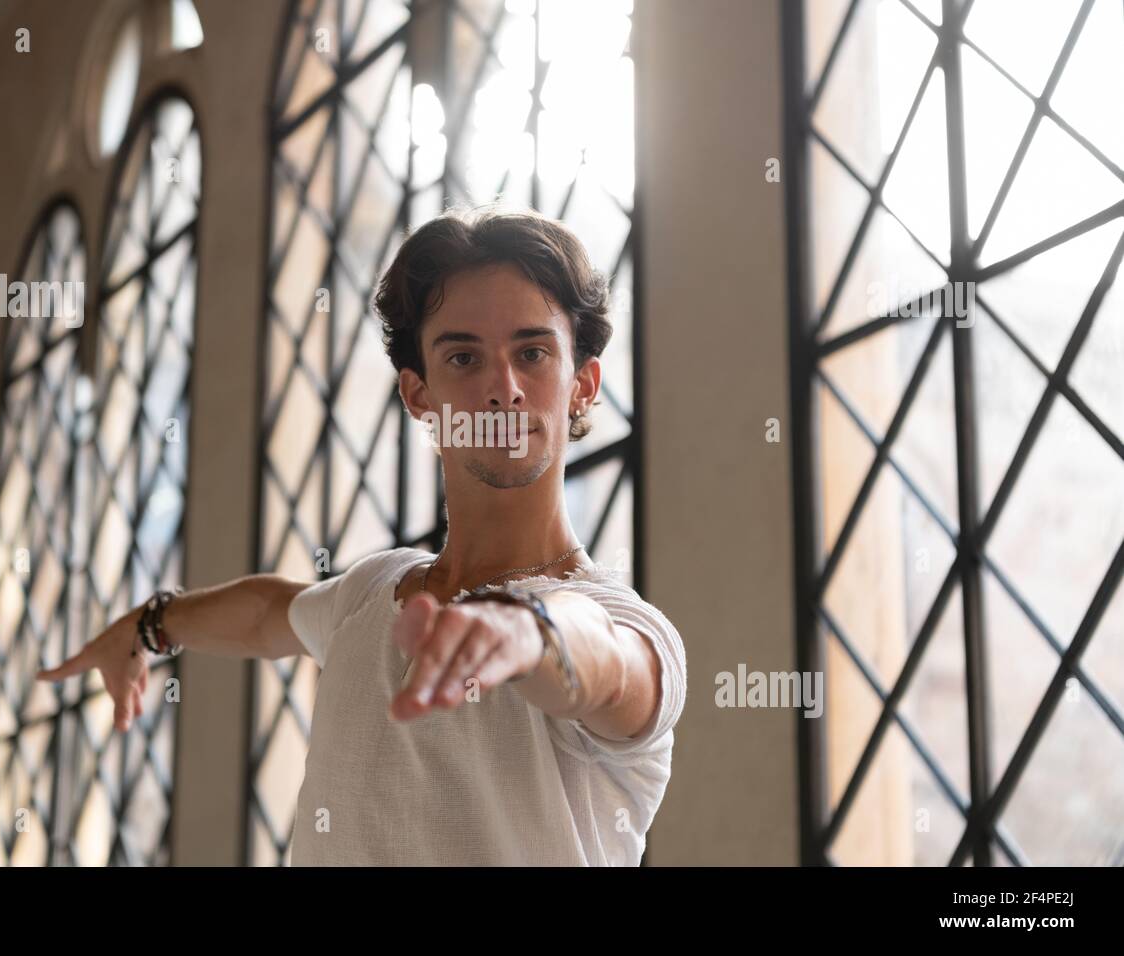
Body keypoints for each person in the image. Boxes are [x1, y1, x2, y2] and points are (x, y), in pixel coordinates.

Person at [38, 207, 687, 865]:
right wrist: (150, 626)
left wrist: (526, 632)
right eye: (463, 356)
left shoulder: (625, 625)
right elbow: (269, 613)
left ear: (582, 387)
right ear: (419, 395)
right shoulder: (375, 592)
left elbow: (601, 666)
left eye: (533, 352)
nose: (503, 388)